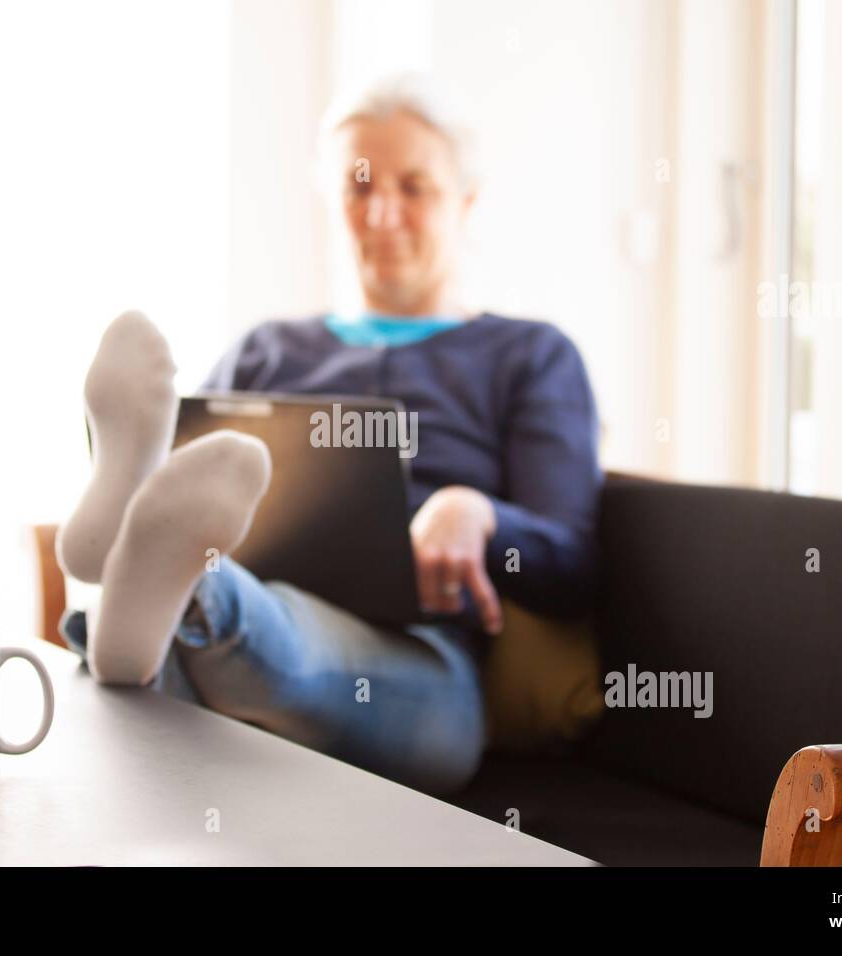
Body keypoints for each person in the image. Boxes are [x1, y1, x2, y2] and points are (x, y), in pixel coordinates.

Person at [55, 72, 602, 796]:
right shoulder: (267, 350)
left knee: (251, 626)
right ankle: (161, 577)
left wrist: (478, 513)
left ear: (465, 202)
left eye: (415, 188)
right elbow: (192, 481)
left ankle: (159, 590)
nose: (381, 213)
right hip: (255, 591)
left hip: (424, 661)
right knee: (212, 578)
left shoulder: (528, 355)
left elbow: (574, 563)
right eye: (359, 187)